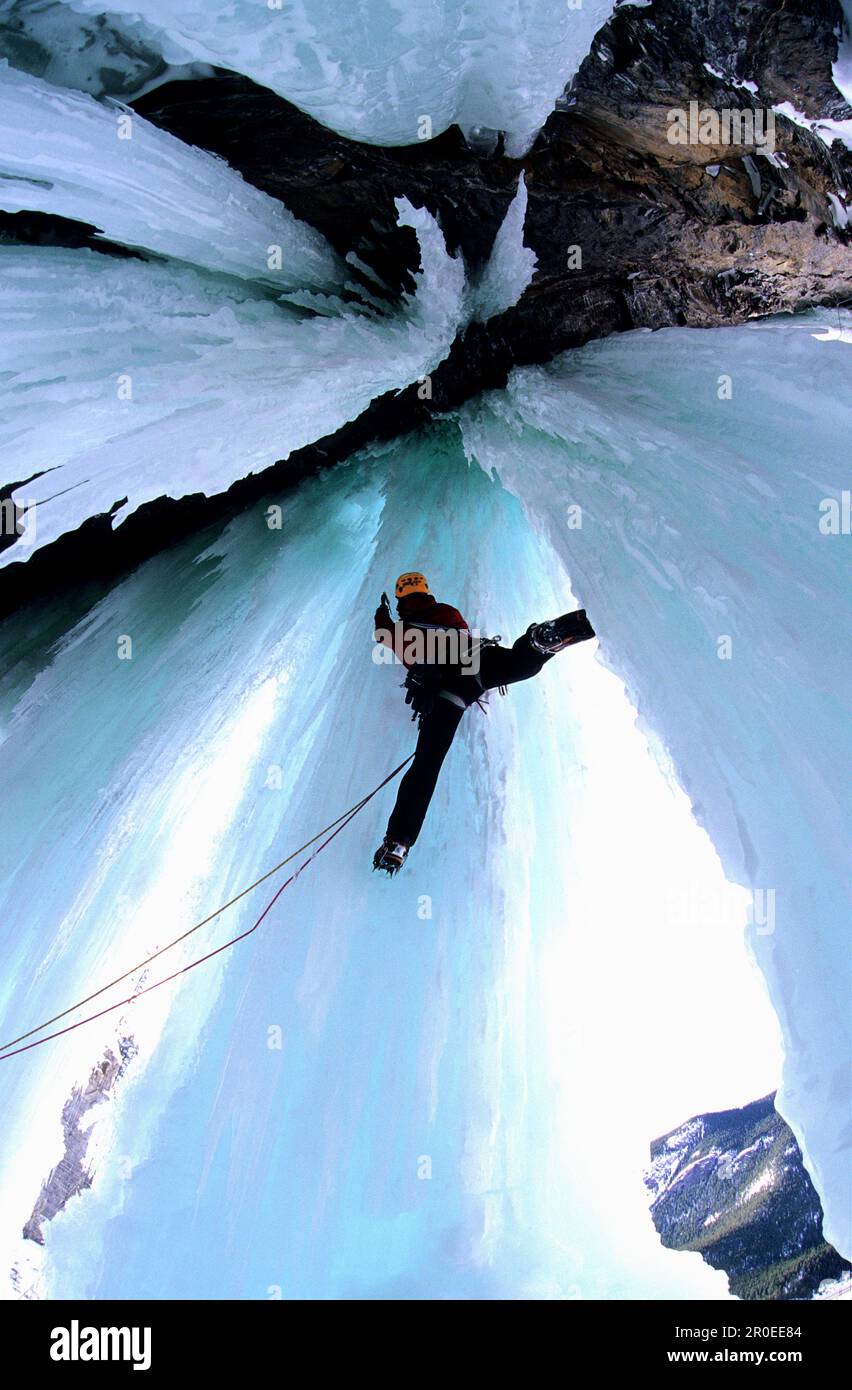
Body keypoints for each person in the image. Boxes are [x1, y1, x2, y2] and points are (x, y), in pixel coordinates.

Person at [372, 571, 595, 874]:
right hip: (474, 663)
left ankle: (398, 842)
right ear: (425, 592)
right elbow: (458, 634)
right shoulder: (447, 612)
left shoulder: (401, 629)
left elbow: (383, 634)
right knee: (516, 663)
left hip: (448, 692)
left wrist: (382, 616)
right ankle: (539, 643)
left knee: (426, 766)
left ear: (401, 600)